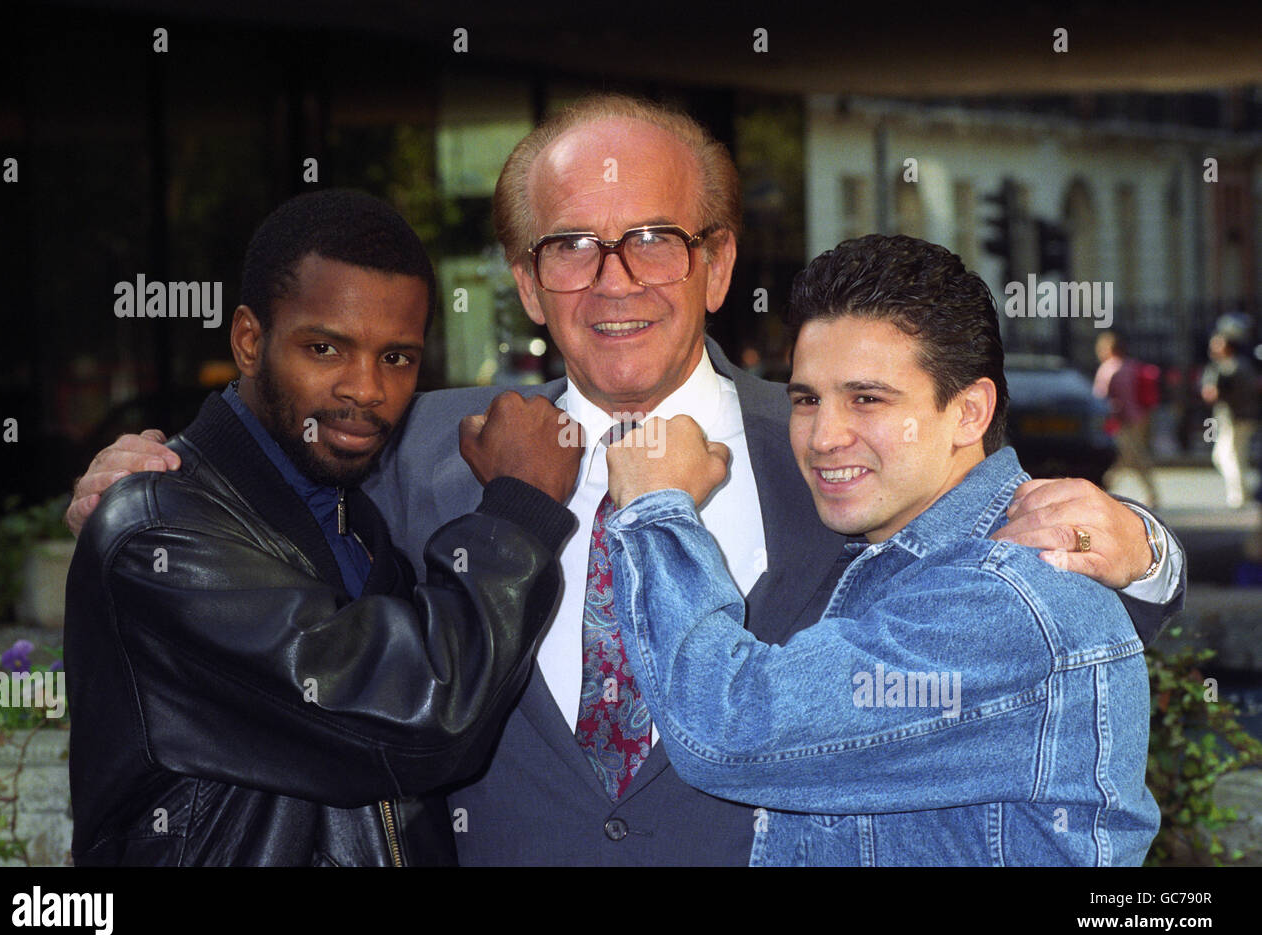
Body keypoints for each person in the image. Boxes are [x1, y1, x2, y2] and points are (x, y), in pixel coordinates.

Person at [66, 95, 1184, 866]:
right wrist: (150, 475)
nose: (614, 281)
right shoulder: (410, 450)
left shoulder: (845, 445)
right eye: (570, 245)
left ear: (716, 262)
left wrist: (1146, 544)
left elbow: (1025, 559)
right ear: (522, 279)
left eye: (651, 236)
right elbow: (265, 500)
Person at [603, 235, 1161, 864]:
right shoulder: (886, 544)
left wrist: (654, 506)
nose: (823, 436)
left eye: (867, 399)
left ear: (969, 412)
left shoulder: (1003, 596)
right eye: (807, 399)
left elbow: (729, 728)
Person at [64, 190, 579, 866]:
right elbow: (423, 716)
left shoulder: (354, 518)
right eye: (326, 347)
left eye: (396, 358)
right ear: (250, 341)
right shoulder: (159, 535)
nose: (365, 388)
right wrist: (520, 507)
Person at [1093, 331, 1160, 507]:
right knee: (1127, 457)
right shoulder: (1132, 365)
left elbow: (1099, 397)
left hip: (1121, 421)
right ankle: (1103, 488)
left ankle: (1102, 488)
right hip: (1139, 417)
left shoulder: (1108, 369)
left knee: (1130, 457)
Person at [1201, 318, 1259, 508]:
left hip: (1237, 418)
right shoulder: (1234, 365)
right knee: (1229, 456)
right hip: (1237, 417)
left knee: (1229, 456)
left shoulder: (1231, 367)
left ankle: (1239, 495)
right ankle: (1243, 491)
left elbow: (1215, 393)